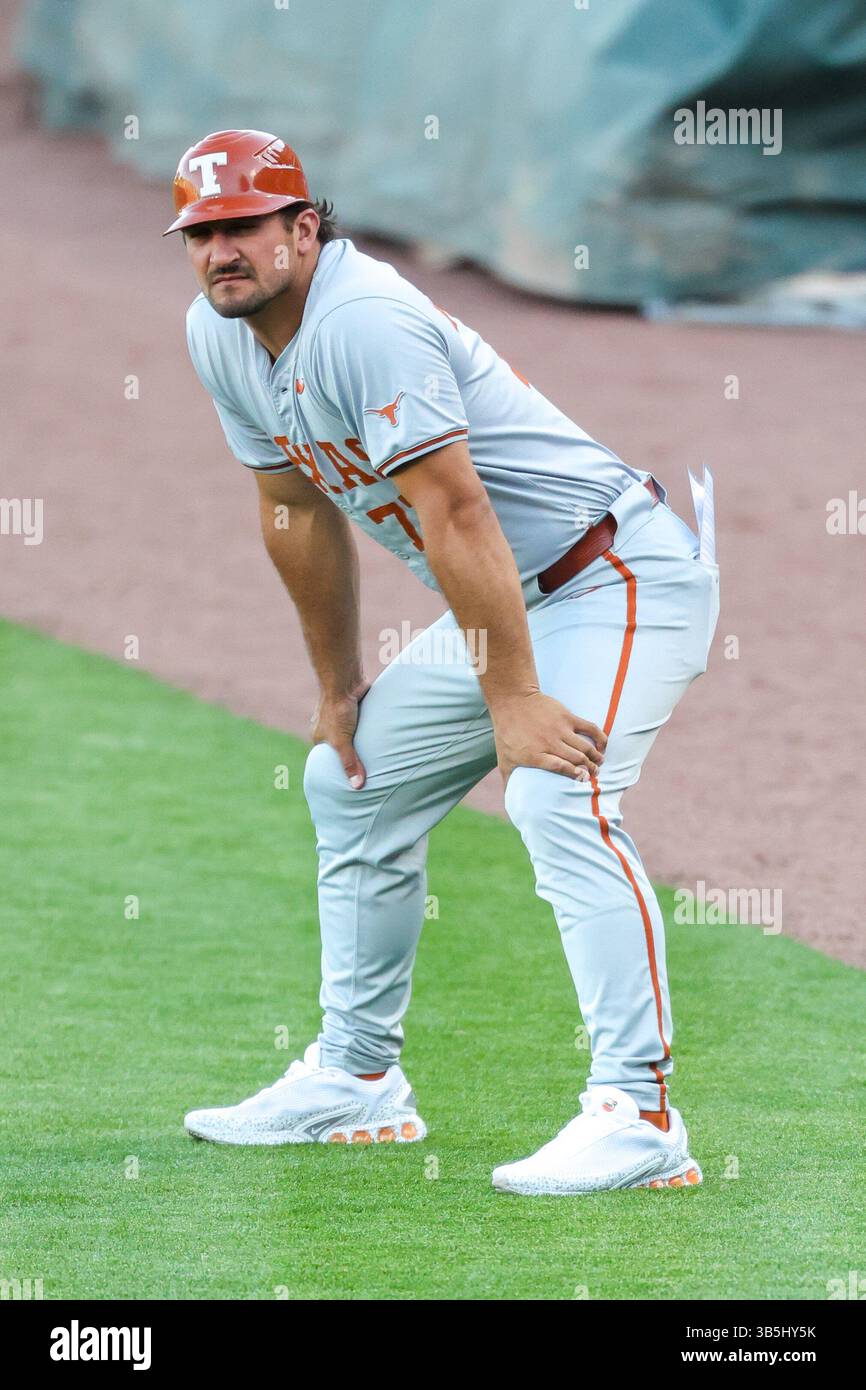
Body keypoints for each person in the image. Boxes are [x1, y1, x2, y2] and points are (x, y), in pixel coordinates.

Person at [167, 129, 719, 1194]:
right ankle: (357, 1079)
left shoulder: (363, 322)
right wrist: (337, 689)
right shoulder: (217, 332)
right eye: (199, 232)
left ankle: (639, 1114)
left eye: (241, 226)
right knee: (353, 778)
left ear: (303, 226)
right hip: (513, 597)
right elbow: (293, 511)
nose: (218, 251)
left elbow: (454, 509)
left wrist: (514, 701)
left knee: (557, 794)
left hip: (613, 575)